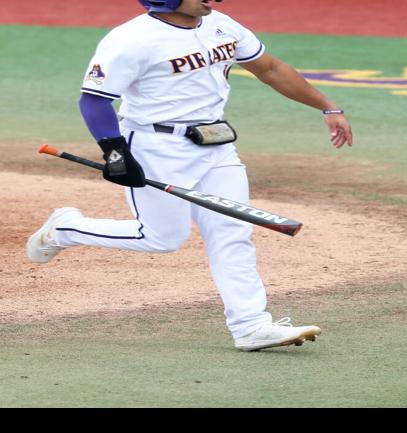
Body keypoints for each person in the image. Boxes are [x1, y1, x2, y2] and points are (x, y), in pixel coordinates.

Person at [25, 0, 354, 351]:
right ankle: (64, 228)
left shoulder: (221, 24)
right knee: (161, 238)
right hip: (155, 145)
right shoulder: (131, 40)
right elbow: (94, 100)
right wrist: (116, 152)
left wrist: (327, 107)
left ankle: (251, 325)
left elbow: (270, 68)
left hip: (216, 143)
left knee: (232, 231)